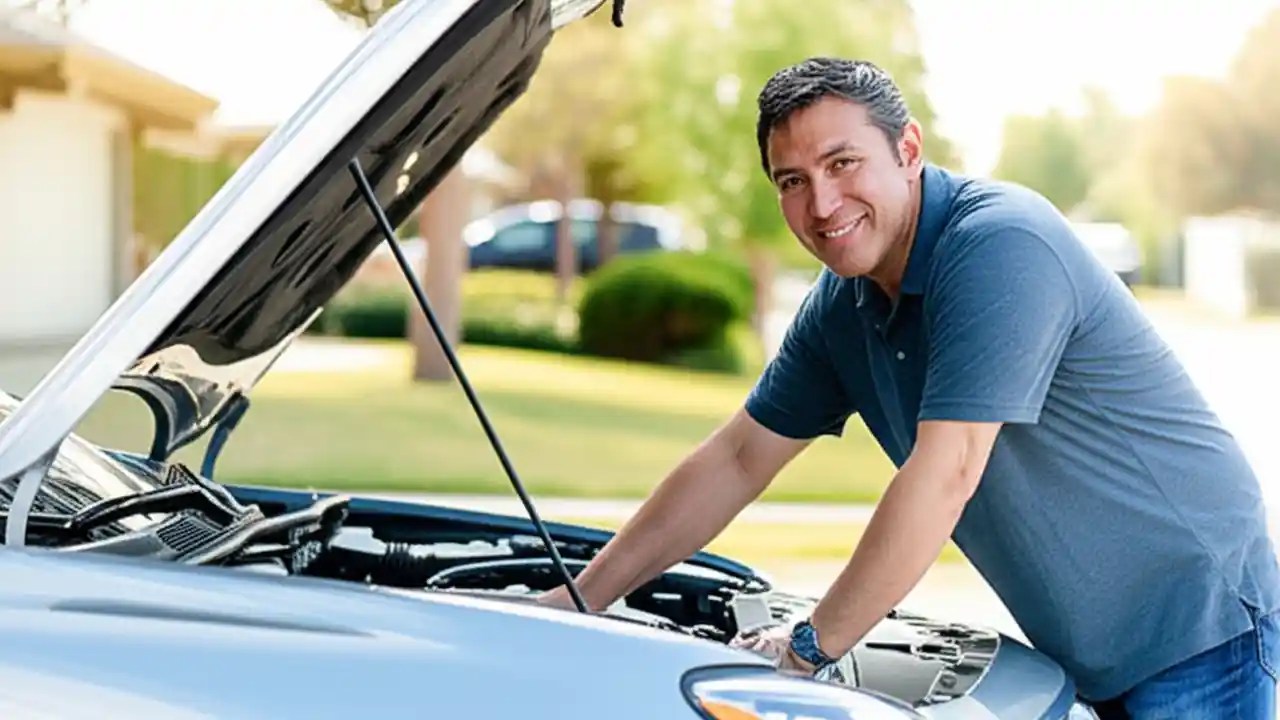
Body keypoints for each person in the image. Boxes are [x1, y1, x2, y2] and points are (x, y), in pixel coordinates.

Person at [538, 56, 1280, 718]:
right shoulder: (842, 304)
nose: (822, 205)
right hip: (1093, 638)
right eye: (792, 181)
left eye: (842, 164)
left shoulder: (999, 248)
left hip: (1195, 622)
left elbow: (947, 472)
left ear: (909, 150)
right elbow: (737, 458)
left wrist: (805, 650)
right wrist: (577, 602)